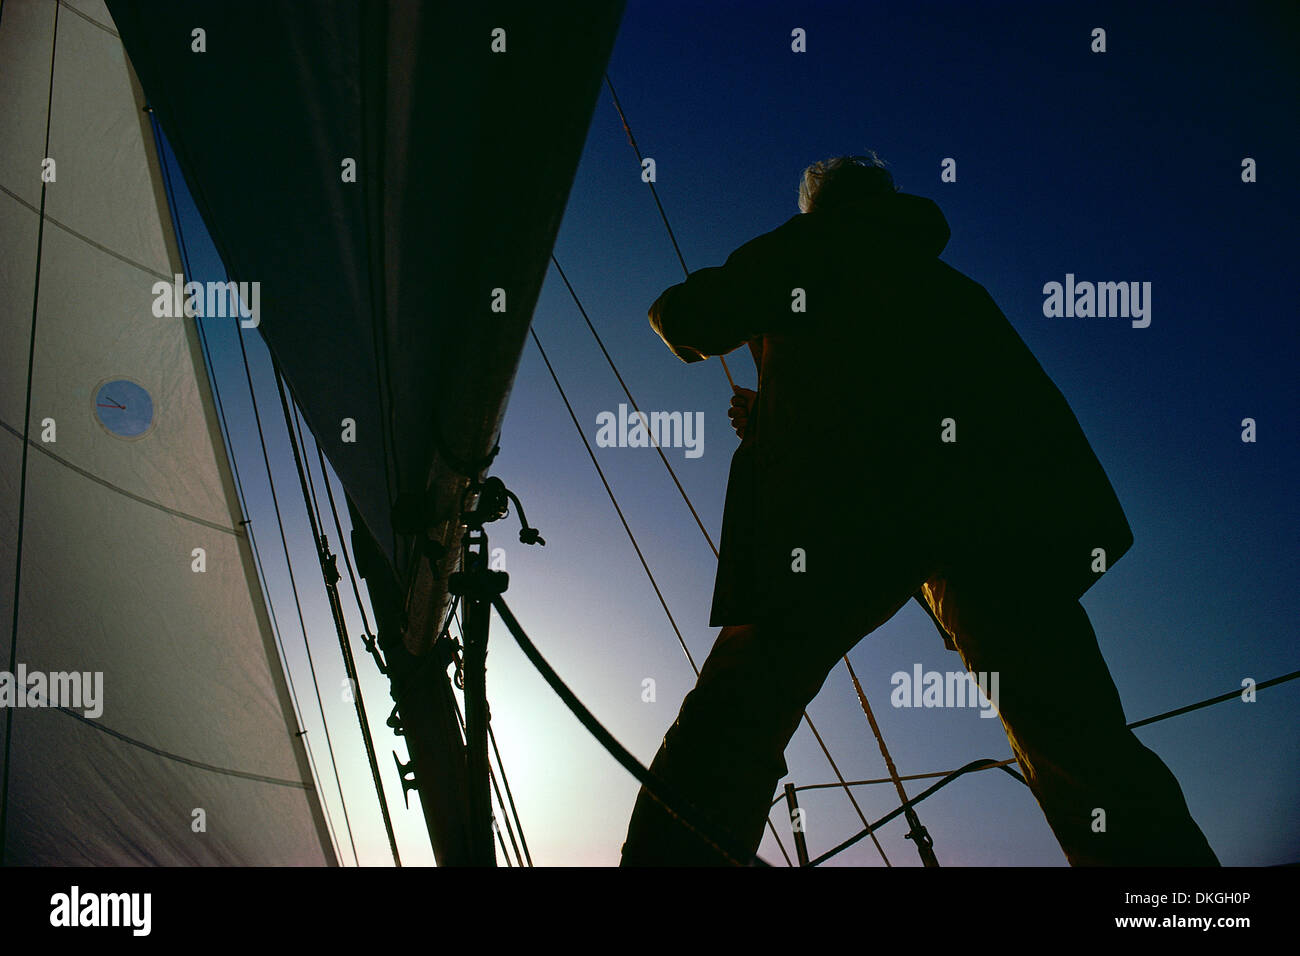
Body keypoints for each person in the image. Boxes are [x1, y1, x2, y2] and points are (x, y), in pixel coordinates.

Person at [619, 154, 1219, 866]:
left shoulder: (814, 244)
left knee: (739, 710)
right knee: (1072, 732)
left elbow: (689, 318)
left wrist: (699, 316)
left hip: (844, 520)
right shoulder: (953, 288)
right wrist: (776, 413)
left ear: (822, 207)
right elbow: (910, 398)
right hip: (994, 525)